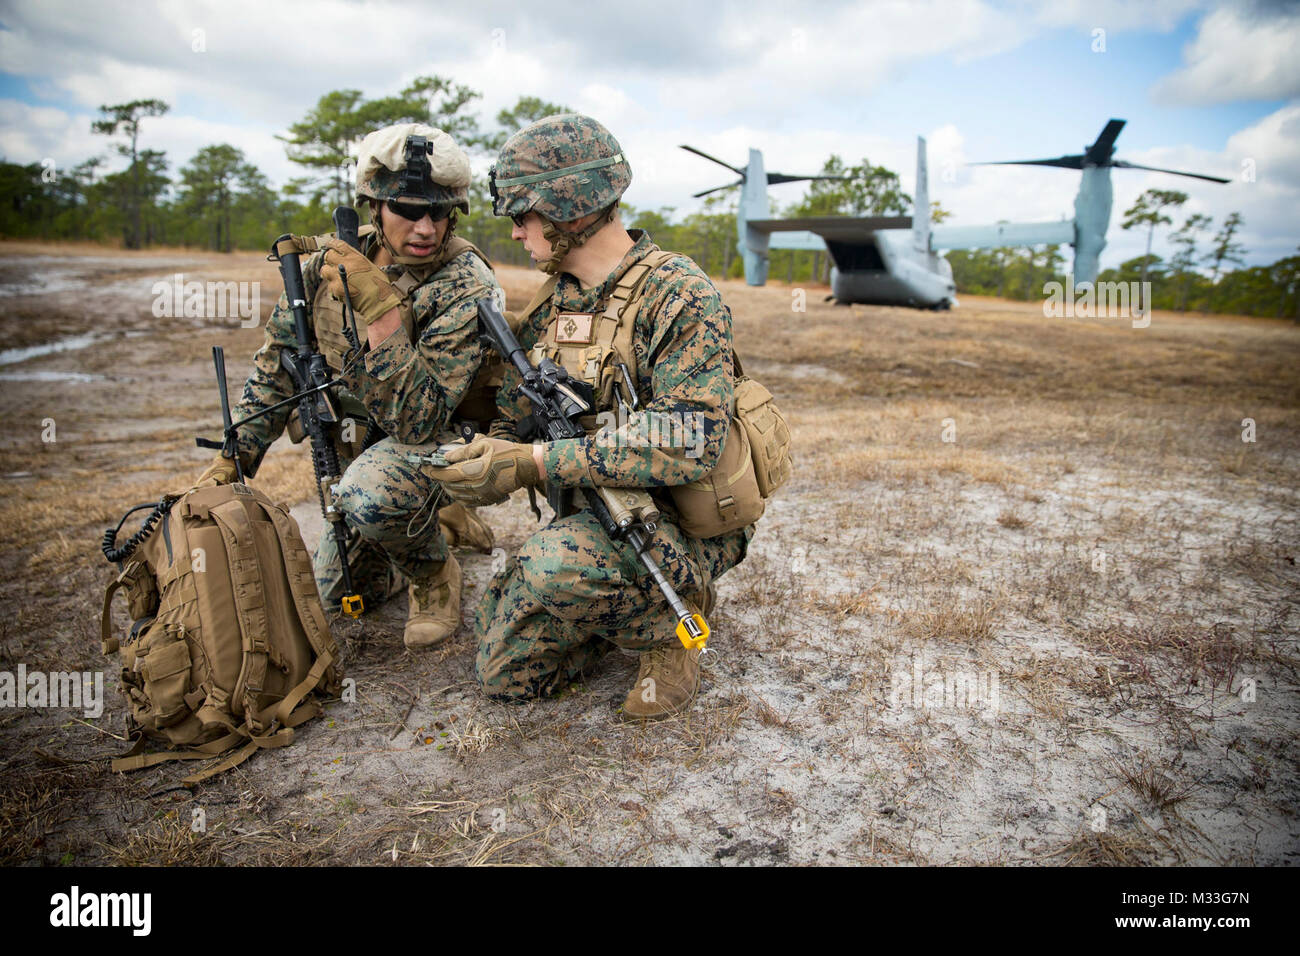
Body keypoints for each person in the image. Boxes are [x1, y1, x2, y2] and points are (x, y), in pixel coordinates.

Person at [429, 113, 752, 718]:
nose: (517, 231)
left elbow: (691, 437)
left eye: (524, 214)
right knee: (506, 673)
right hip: (592, 517)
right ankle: (606, 607)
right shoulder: (554, 303)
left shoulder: (679, 293)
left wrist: (534, 462)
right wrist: (484, 461)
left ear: (568, 209)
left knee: (551, 566)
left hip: (675, 523)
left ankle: (670, 625)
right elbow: (514, 415)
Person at [194, 122, 501, 649]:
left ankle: (433, 576)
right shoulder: (325, 266)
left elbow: (420, 419)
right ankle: (441, 523)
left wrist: (377, 311)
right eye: (407, 209)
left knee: (372, 497)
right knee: (341, 594)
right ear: (373, 206)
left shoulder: (467, 283)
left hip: (436, 445)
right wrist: (232, 458)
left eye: (439, 212)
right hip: (358, 449)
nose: (425, 227)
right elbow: (277, 364)